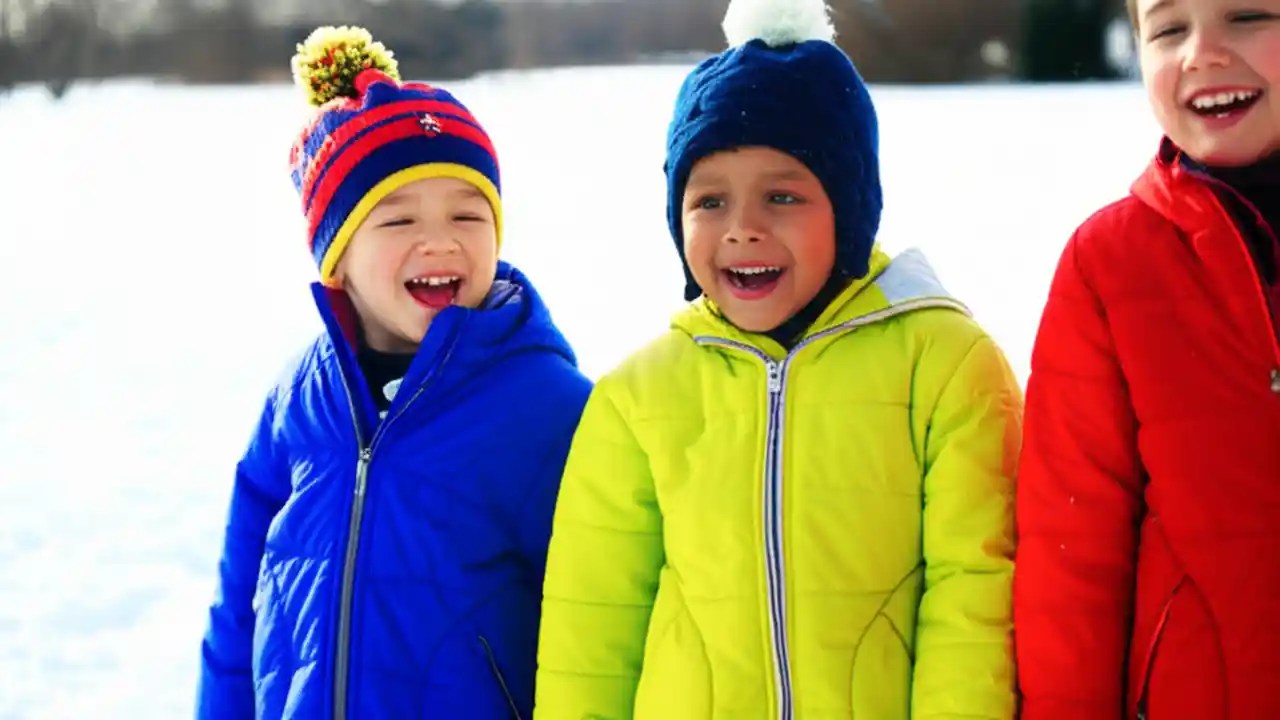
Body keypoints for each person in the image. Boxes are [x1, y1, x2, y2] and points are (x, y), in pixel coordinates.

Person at [532, 0, 1022, 717]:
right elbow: (592, 625)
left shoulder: (945, 365)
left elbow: (975, 595)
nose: (742, 230)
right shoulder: (636, 397)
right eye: (708, 202)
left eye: (783, 195)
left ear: (849, 210)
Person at [196, 26, 591, 719]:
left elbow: (597, 621)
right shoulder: (297, 405)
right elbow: (239, 610)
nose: (439, 240)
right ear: (337, 257)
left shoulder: (546, 407)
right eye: (398, 218)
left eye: (469, 214)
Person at [1015, 1, 1280, 717]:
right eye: (1168, 30)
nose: (1200, 53)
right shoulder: (1109, 266)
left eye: (1248, 16)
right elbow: (1071, 556)